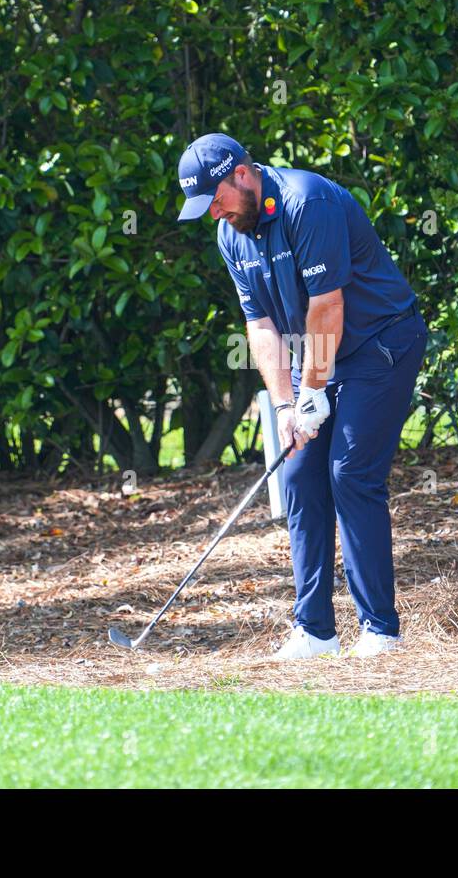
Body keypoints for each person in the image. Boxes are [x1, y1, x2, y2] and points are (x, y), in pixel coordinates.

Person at [175, 133, 427, 659]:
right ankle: (314, 631)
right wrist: (288, 405)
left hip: (380, 342)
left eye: (216, 199)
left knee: (349, 473)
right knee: (299, 474)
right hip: (321, 353)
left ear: (241, 174)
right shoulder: (232, 234)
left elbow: (327, 306)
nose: (215, 214)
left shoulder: (305, 202)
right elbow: (261, 325)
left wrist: (312, 388)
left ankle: (381, 631)